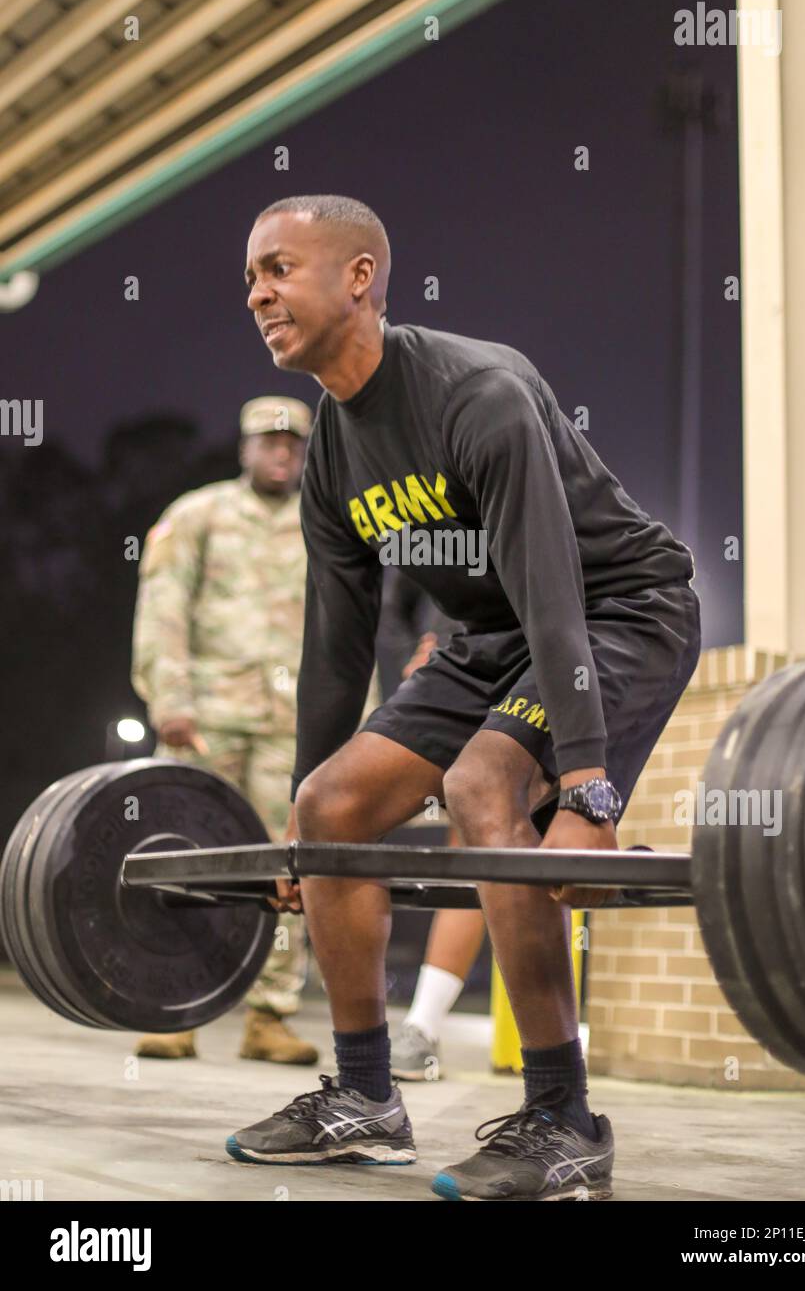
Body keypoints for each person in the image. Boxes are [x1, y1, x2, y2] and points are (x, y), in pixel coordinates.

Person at [227, 195, 701, 1201]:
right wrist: (296, 835)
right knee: (333, 807)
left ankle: (563, 1119)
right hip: (492, 639)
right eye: (250, 280)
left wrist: (583, 792)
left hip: (616, 612)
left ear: (359, 276)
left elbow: (550, 587)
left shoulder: (476, 390)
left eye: (278, 268)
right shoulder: (330, 454)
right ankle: (364, 1100)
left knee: (487, 784)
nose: (258, 294)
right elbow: (335, 645)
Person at [131, 396, 319, 1065]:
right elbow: (164, 605)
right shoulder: (198, 514)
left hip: (289, 725)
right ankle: (176, 1006)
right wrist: (170, 697)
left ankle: (268, 1016)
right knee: (186, 856)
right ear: (243, 448)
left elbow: (347, 630)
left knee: (287, 866)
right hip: (205, 720)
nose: (281, 452)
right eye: (268, 441)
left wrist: (356, 724)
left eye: (293, 442)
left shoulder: (317, 521)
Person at [379, 569, 486, 1083]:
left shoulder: (536, 497)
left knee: (479, 848)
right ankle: (363, 1045)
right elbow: (393, 604)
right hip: (446, 686)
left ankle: (423, 1026)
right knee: (340, 814)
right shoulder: (425, 510)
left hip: (519, 680)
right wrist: (417, 650)